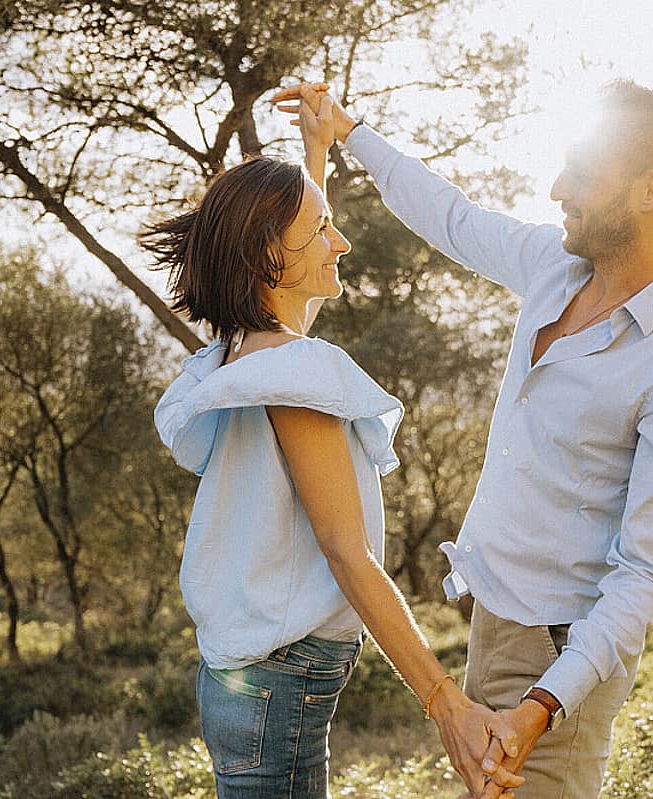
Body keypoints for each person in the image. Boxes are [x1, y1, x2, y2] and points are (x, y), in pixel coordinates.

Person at [275, 81, 653, 799]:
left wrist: (542, 705)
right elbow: (453, 217)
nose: (558, 189)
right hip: (499, 624)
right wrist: (349, 132)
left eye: (582, 176)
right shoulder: (554, 266)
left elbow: (647, 573)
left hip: (559, 665)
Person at [144, 94, 523, 798]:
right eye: (323, 229)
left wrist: (315, 152)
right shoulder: (295, 373)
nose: (340, 241)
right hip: (278, 680)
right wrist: (446, 701)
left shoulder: (244, 347)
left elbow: (297, 295)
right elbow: (347, 553)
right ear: (269, 254)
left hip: (249, 676)